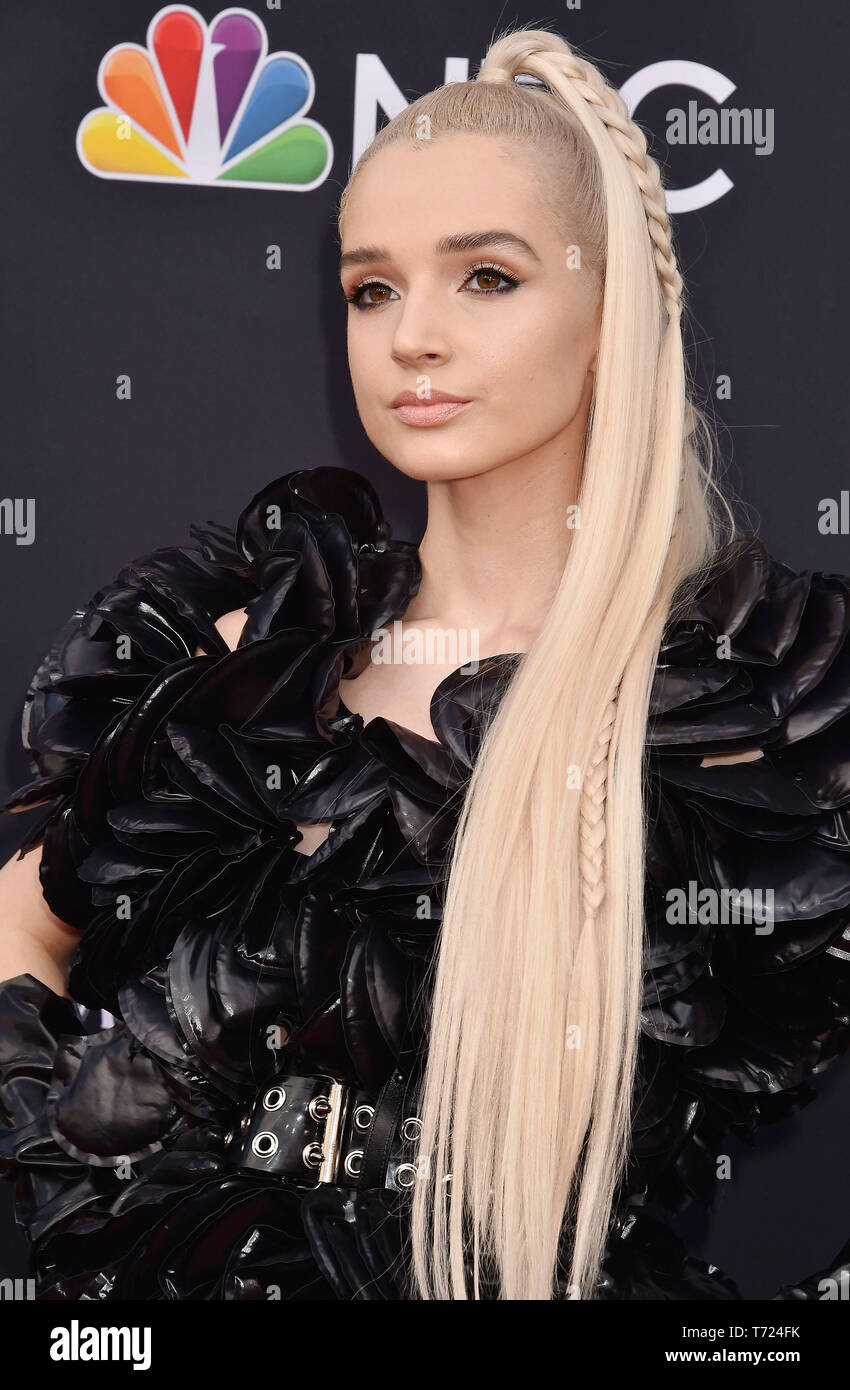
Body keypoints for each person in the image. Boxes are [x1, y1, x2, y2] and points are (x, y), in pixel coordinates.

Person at [1, 22, 849, 1302]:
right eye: (372, 287)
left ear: (610, 308)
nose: (412, 338)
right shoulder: (240, 661)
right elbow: (25, 919)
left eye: (487, 278)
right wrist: (80, 1177)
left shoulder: (743, 715)